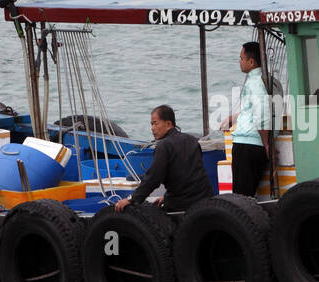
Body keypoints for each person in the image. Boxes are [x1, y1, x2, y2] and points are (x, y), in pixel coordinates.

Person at [115, 105, 212, 213]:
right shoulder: (192, 140)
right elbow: (187, 176)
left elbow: (153, 178)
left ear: (168, 124)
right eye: (151, 124)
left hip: (182, 205)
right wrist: (166, 197)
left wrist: (131, 199)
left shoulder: (164, 146)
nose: (152, 128)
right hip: (205, 199)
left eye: (155, 123)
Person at [221, 41, 270, 197]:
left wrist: (266, 143)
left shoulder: (255, 82)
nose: (239, 61)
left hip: (247, 146)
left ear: (251, 62)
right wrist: (234, 117)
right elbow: (252, 109)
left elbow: (262, 114)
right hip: (250, 145)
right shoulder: (257, 80)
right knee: (245, 194)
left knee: (241, 197)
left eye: (241, 58)